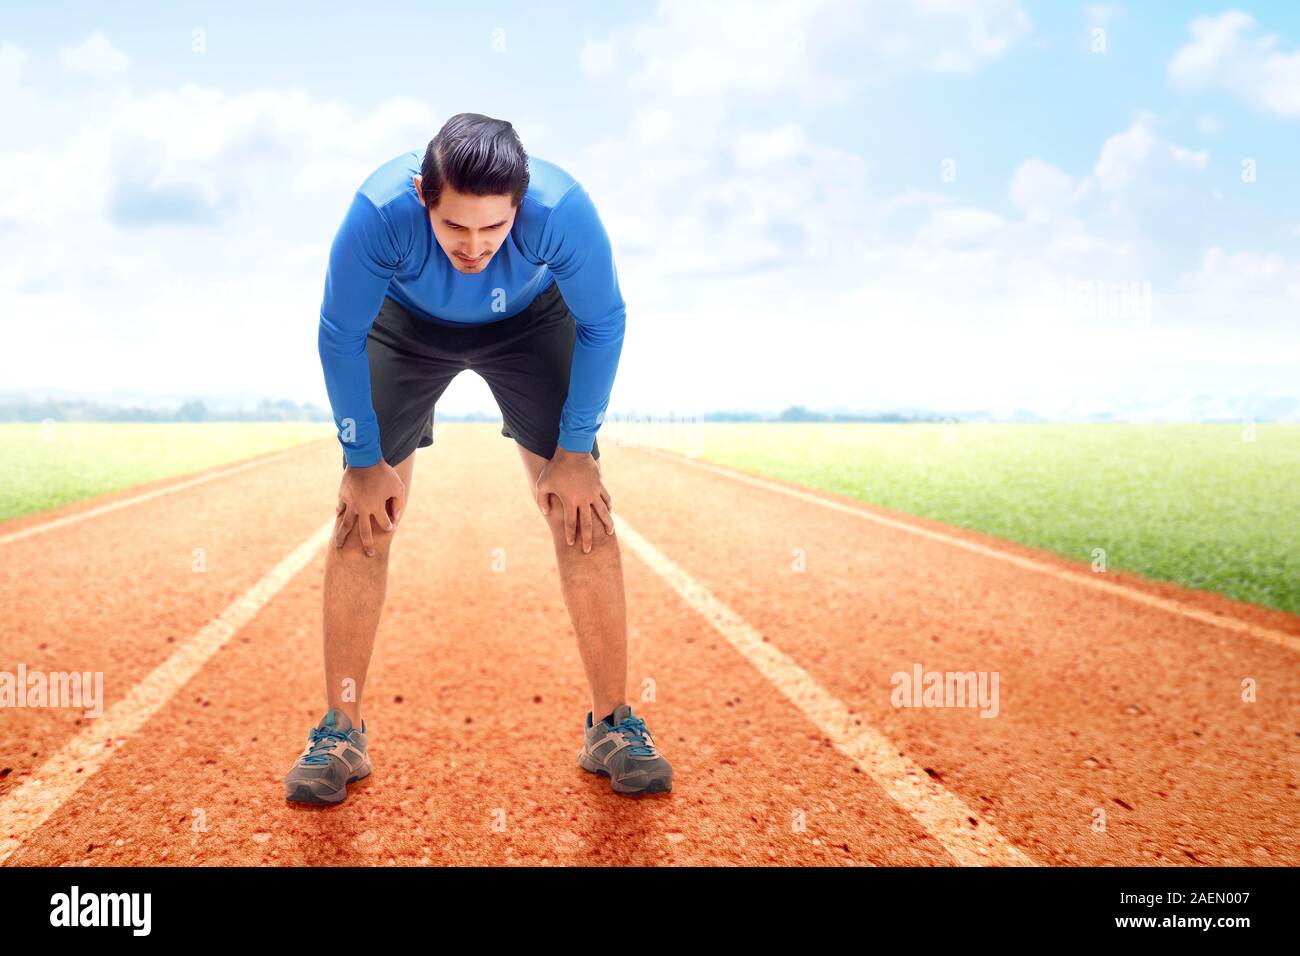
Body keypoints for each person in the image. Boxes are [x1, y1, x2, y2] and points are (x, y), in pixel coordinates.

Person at [282, 113, 672, 804]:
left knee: (582, 509)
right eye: (455, 227)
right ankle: (340, 733)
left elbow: (604, 321)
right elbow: (337, 333)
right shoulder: (379, 213)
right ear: (423, 196)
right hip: (403, 328)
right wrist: (362, 460)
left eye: (493, 228)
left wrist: (576, 449)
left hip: (528, 324)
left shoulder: (563, 211)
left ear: (519, 205)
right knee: (362, 518)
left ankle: (612, 725)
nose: (474, 247)